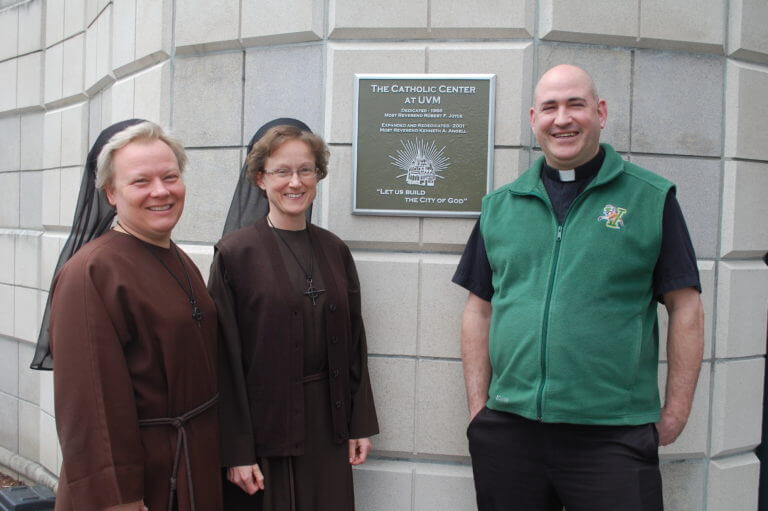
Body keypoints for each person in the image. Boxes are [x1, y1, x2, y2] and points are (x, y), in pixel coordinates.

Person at [453, 65, 705, 510]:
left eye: (576, 104)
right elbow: (479, 309)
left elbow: (686, 307)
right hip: (510, 434)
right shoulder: (500, 206)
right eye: (550, 107)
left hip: (612, 434)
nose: (562, 118)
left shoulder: (651, 199)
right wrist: (480, 410)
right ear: (534, 119)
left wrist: (676, 411)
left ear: (600, 112)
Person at [40, 120, 222, 511]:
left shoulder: (175, 256)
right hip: (136, 488)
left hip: (187, 465)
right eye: (141, 181)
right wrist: (117, 500)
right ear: (111, 193)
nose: (161, 191)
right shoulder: (91, 272)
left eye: (170, 177)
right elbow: (89, 406)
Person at [208, 119, 379, 511]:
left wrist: (359, 424)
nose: (295, 182)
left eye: (305, 170)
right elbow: (223, 360)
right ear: (260, 179)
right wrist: (236, 451)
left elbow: (354, 344)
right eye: (281, 171)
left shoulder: (335, 250)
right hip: (266, 428)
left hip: (329, 427)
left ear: (318, 175)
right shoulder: (234, 254)